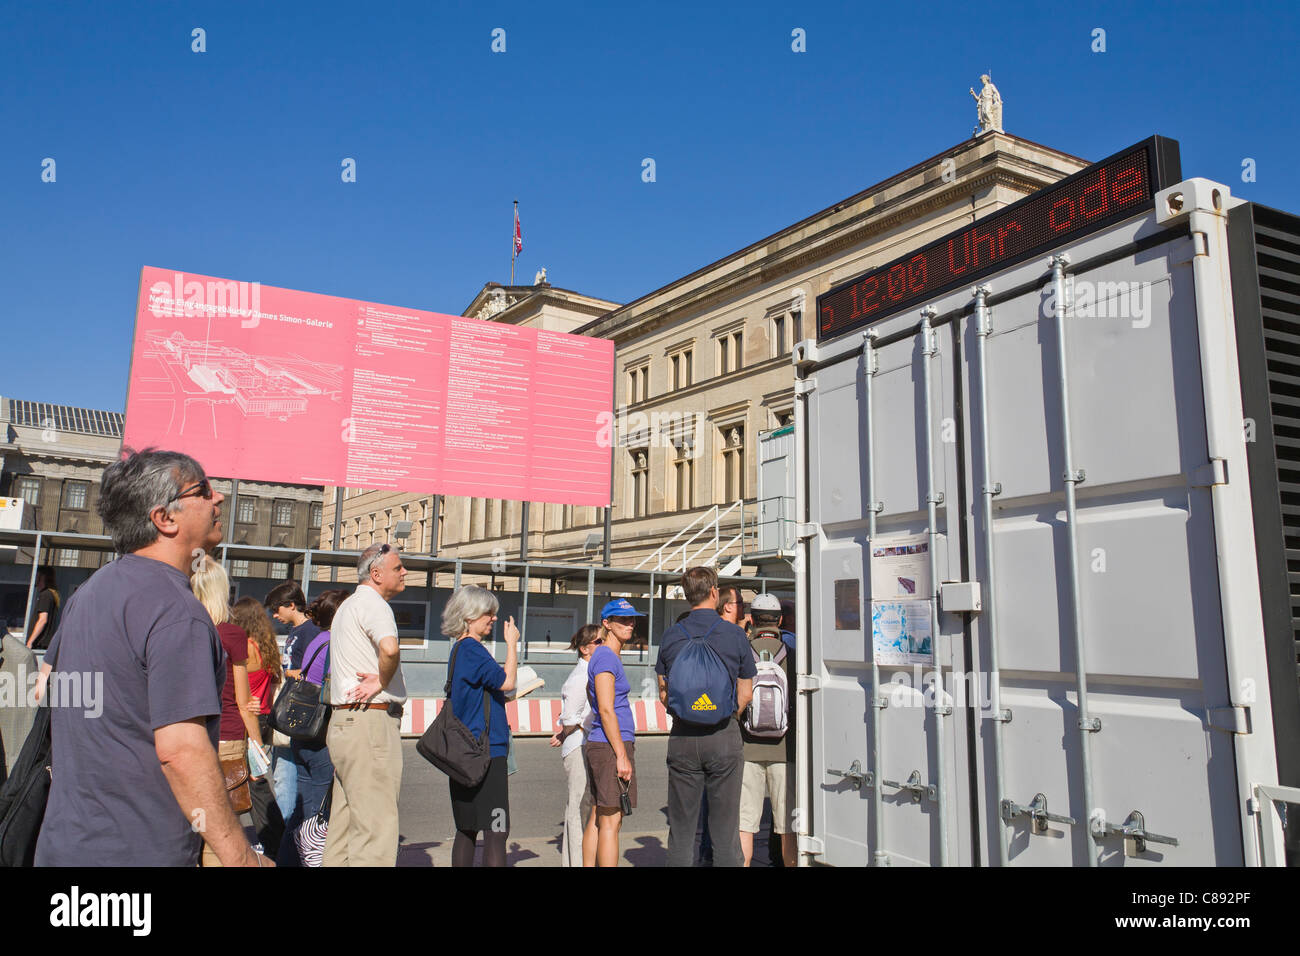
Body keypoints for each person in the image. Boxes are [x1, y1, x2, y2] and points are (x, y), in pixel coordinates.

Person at [35, 447, 269, 867]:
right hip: (137, 851)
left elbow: (46, 687)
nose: (218, 499)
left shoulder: (90, 591)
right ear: (165, 518)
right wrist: (241, 858)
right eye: (203, 489)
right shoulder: (176, 610)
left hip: (66, 843)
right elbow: (181, 751)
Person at [657, 566, 754, 868]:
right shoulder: (735, 635)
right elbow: (746, 691)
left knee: (682, 832)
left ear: (687, 596)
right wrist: (725, 715)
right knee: (725, 833)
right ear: (714, 593)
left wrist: (687, 713)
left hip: (683, 738)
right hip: (723, 737)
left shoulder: (671, 636)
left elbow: (663, 692)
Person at [323, 542, 408, 867]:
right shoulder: (374, 604)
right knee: (375, 829)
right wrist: (383, 681)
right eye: (398, 568)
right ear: (376, 574)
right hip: (370, 723)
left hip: (344, 723)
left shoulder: (347, 606)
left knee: (344, 828)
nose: (404, 573)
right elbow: (389, 648)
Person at [193, 555, 277, 865]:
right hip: (227, 735)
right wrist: (256, 746)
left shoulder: (181, 628)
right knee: (219, 831)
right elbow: (243, 702)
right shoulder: (232, 635)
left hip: (186, 734)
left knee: (187, 825)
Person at [442, 585, 518, 867]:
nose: (494, 619)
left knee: (467, 826)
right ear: (470, 615)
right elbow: (507, 682)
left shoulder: (459, 650)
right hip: (488, 751)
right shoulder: (474, 649)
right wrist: (512, 644)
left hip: (462, 752)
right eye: (489, 613)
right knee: (497, 829)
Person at [277, 588, 345, 867]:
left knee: (300, 811)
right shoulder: (335, 644)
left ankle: (286, 862)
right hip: (321, 737)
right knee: (320, 813)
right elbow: (333, 690)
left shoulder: (317, 639)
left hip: (301, 734)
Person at [583, 599, 642, 867]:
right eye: (622, 619)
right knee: (611, 821)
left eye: (631, 619)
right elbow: (606, 709)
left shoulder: (605, 656)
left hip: (603, 744)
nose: (629, 624)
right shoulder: (606, 656)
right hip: (609, 746)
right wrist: (621, 754)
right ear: (606, 624)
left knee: (599, 816)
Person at [739, 593, 796, 867]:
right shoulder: (792, 654)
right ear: (780, 620)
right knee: (787, 825)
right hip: (784, 751)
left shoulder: (742, 652)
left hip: (747, 749)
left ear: (751, 619)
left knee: (745, 823)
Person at [232, 595, 287, 858]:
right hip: (263, 717)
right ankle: (275, 839)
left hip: (247, 722)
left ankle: (273, 839)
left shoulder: (245, 648)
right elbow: (273, 683)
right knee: (256, 780)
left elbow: (235, 687)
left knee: (253, 782)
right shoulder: (267, 647)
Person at [264, 581, 321, 818]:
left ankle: (289, 832)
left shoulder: (310, 632)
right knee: (283, 775)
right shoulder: (295, 632)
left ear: (291, 605)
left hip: (301, 711)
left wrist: (289, 672)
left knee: (288, 776)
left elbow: (311, 671)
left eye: (278, 609)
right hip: (290, 708)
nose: (275, 615)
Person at [551, 624, 598, 867]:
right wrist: (569, 730)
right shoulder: (581, 677)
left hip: (583, 743)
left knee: (587, 808)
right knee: (579, 809)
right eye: (598, 642)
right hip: (579, 746)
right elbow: (570, 716)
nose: (603, 646)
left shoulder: (592, 672)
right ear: (584, 649)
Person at [25, 566, 60, 650]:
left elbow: (43, 620)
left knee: (23, 664)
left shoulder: (46, 595)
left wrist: (30, 642)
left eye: (36, 575)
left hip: (38, 645)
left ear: (42, 576)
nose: (33, 577)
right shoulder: (49, 594)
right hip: (39, 645)